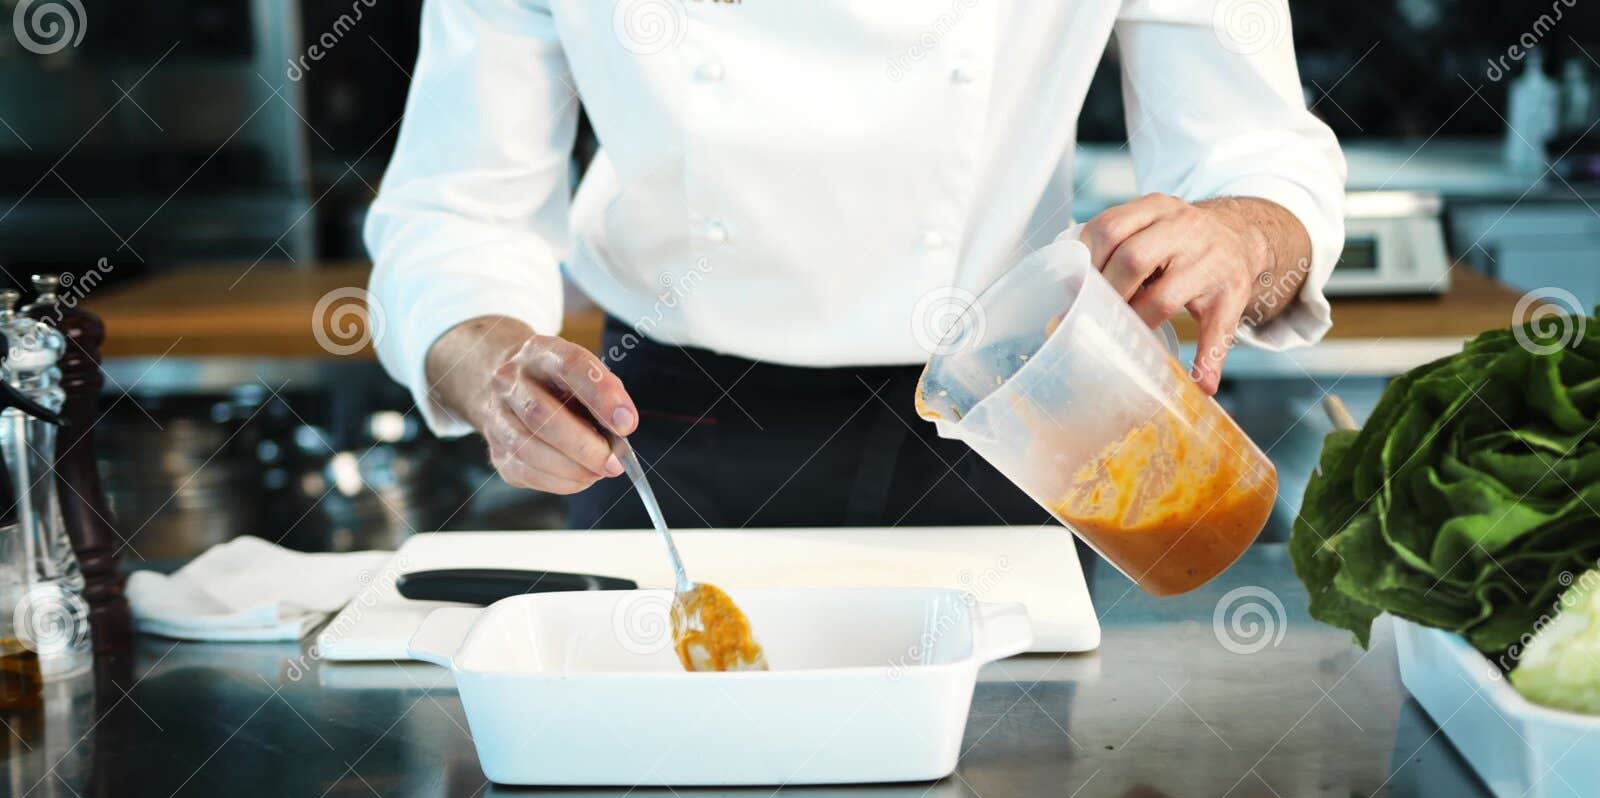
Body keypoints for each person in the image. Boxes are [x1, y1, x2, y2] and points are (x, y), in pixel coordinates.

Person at [366, 1, 1345, 531]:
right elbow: (456, 209)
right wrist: (492, 369)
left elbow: (1256, 156)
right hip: (666, 431)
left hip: (1012, 413)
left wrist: (1245, 236)